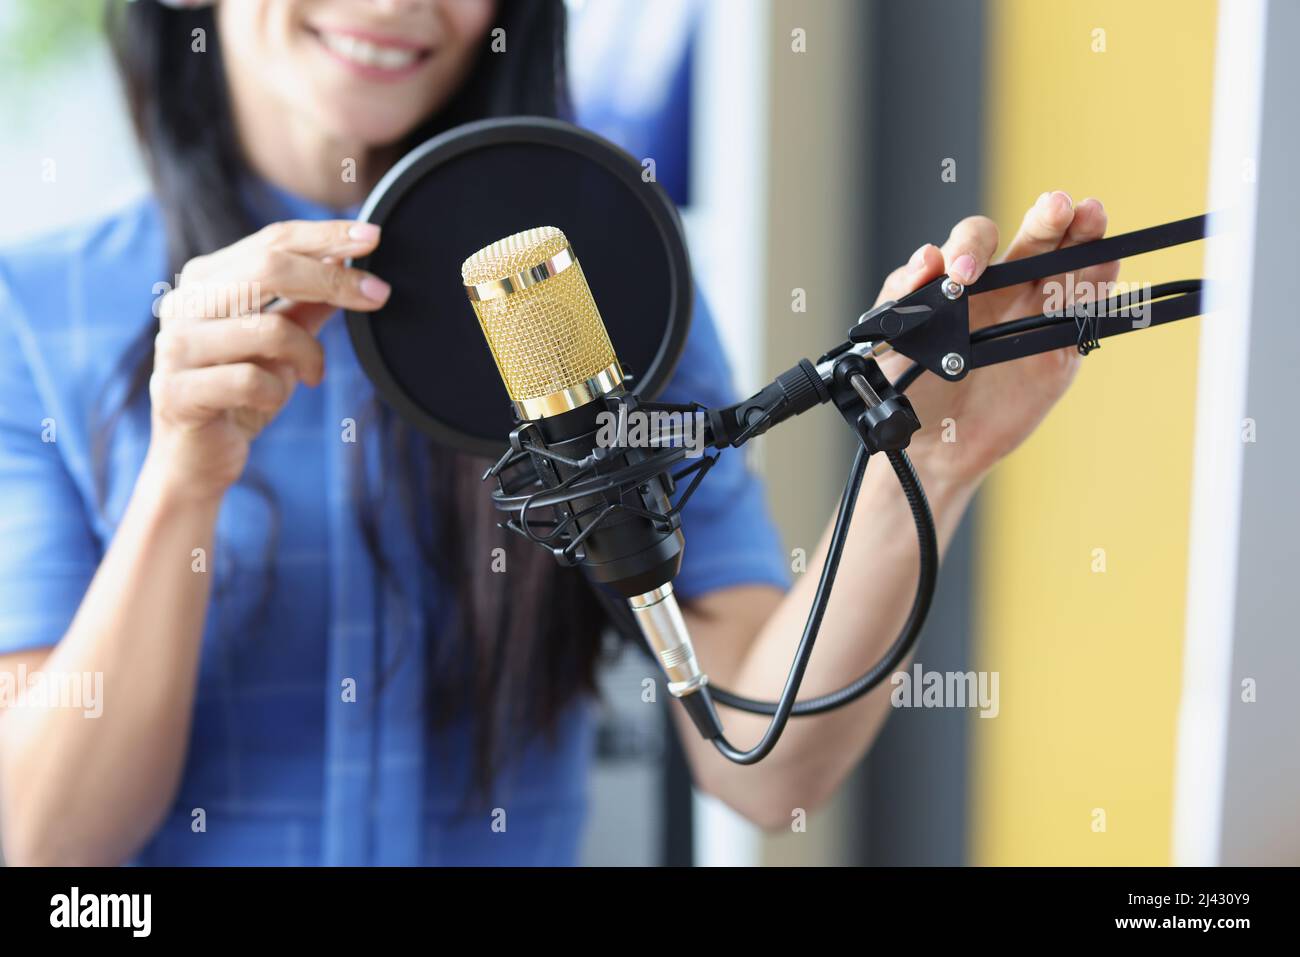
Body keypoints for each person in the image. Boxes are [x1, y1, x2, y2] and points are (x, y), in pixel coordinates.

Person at [0, 0, 1119, 866]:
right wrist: (182, 479)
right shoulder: (31, 314)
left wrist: (927, 456)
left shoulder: (593, 286)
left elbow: (767, 761)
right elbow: (46, 843)